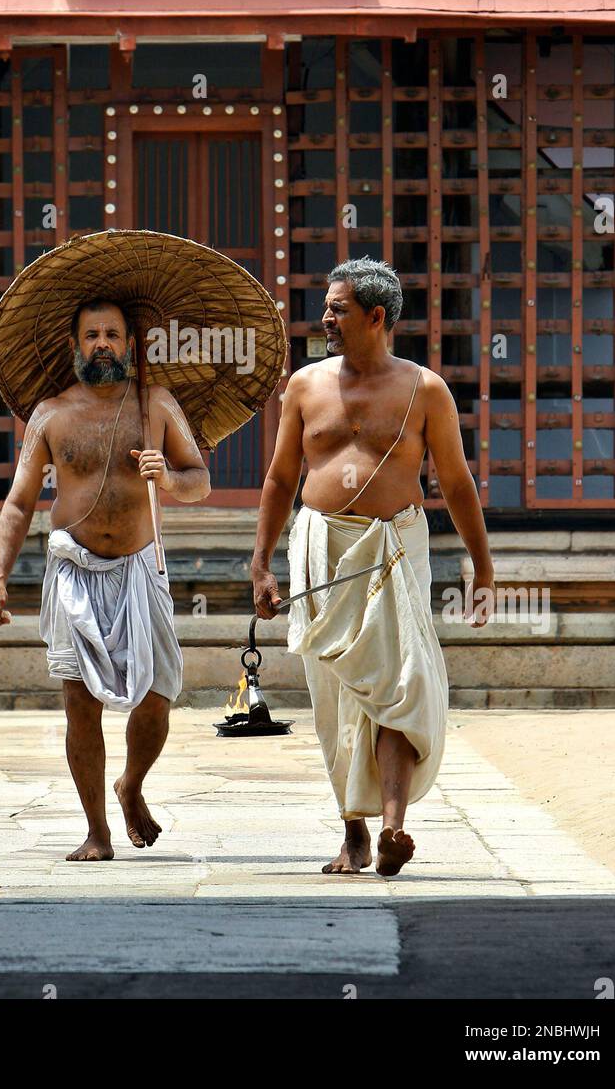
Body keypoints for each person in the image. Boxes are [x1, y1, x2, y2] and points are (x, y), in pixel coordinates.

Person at [251, 257, 494, 877]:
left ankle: (393, 826)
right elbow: (281, 478)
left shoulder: (424, 389)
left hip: (394, 550)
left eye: (337, 308)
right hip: (319, 549)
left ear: (376, 317)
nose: (325, 317)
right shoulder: (304, 386)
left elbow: (458, 484)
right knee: (332, 695)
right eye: (327, 306)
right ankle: (352, 831)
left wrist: (483, 569)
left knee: (398, 685)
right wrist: (260, 564)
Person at [0, 297, 210, 862]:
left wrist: (171, 479)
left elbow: (201, 478)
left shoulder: (156, 403)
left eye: (112, 334)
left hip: (140, 568)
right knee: (79, 703)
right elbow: (18, 503)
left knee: (158, 696)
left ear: (130, 346)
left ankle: (131, 784)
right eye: (91, 336)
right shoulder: (50, 415)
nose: (102, 344)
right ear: (74, 346)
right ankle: (97, 832)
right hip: (74, 572)